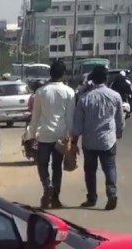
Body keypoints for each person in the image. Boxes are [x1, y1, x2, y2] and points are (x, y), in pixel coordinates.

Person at [70, 66, 124, 210]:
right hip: (108, 140)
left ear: (92, 80)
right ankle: (111, 194)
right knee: (110, 167)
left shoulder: (84, 99)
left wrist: (73, 142)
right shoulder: (115, 96)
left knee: (90, 170)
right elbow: (120, 119)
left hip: (89, 141)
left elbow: (77, 126)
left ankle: (92, 198)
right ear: (106, 79)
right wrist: (119, 132)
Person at [27, 60, 76, 209]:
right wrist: (70, 137)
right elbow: (70, 117)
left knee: (42, 164)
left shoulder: (41, 92)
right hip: (60, 135)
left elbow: (35, 117)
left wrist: (30, 136)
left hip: (45, 135)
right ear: (63, 74)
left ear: (50, 73)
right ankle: (55, 197)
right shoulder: (69, 92)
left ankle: (47, 185)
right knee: (57, 167)